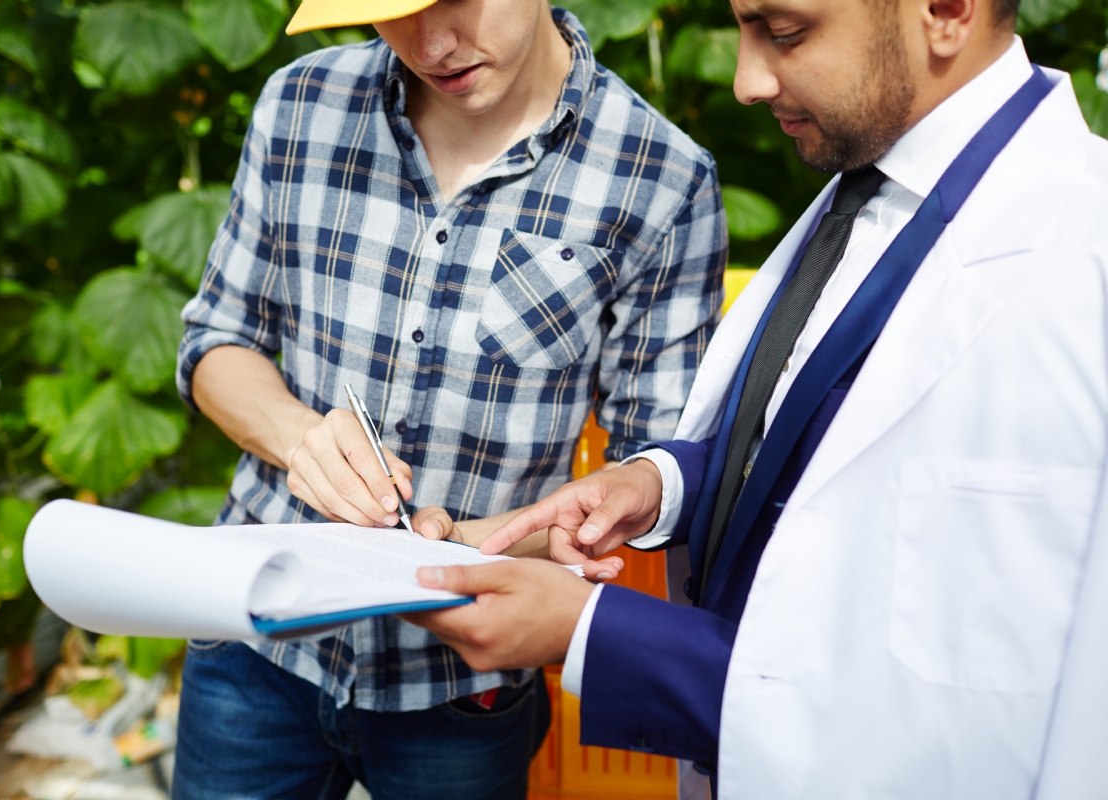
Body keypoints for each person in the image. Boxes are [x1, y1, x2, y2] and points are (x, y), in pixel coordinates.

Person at [405, 0, 1108, 796]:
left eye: (784, 33)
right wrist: (662, 485)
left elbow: (964, 711)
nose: (745, 81)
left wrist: (588, 631)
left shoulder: (1081, 269)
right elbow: (824, 454)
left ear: (945, 11)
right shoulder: (871, 192)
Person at [171, 0, 726, 796]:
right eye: (392, 11)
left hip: (463, 688)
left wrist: (481, 543)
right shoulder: (300, 103)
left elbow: (651, 470)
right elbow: (214, 342)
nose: (431, 45)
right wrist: (300, 438)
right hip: (257, 639)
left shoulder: (660, 178)